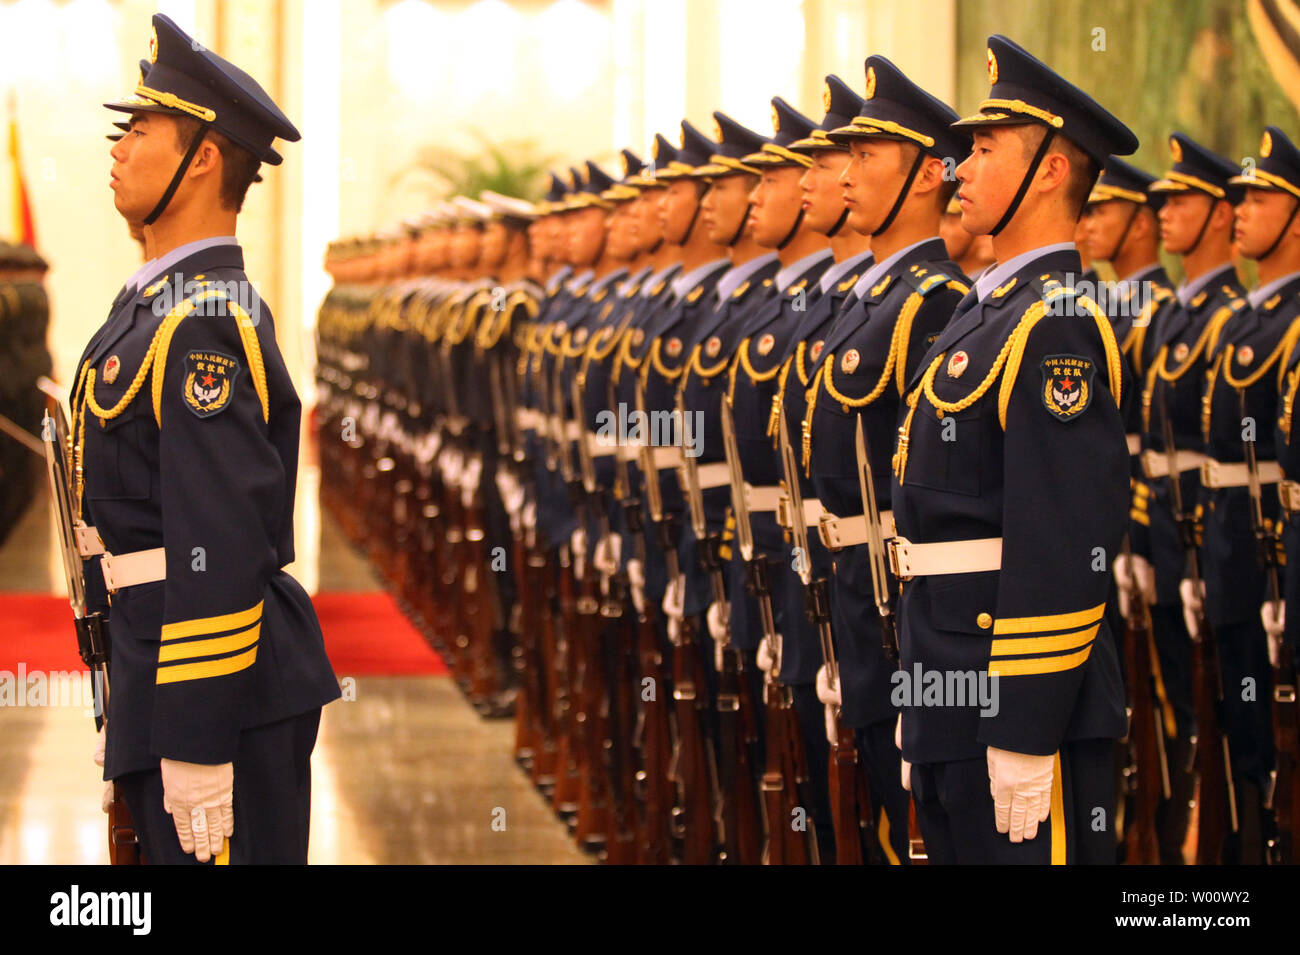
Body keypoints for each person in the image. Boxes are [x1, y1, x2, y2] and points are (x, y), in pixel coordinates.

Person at [78, 13, 339, 864]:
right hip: (156, 672)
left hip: (217, 696)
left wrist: (193, 739)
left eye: (139, 127)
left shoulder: (202, 323)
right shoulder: (155, 304)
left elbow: (218, 546)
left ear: (203, 159)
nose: (116, 146)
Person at [891, 34, 1136, 864]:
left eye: (984, 149)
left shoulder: (1054, 320)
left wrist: (1026, 728)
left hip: (1018, 704)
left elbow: (1065, 546)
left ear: (1053, 171)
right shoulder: (983, 313)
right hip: (949, 686)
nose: (959, 170)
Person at [1139, 132, 1248, 862]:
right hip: (1161, 540)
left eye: (1181, 199)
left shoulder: (1228, 317)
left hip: (1216, 547)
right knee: (1177, 713)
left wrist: (1208, 556)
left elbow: (1225, 455)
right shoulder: (1172, 314)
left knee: (1225, 725)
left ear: (1217, 214)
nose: (1164, 211)